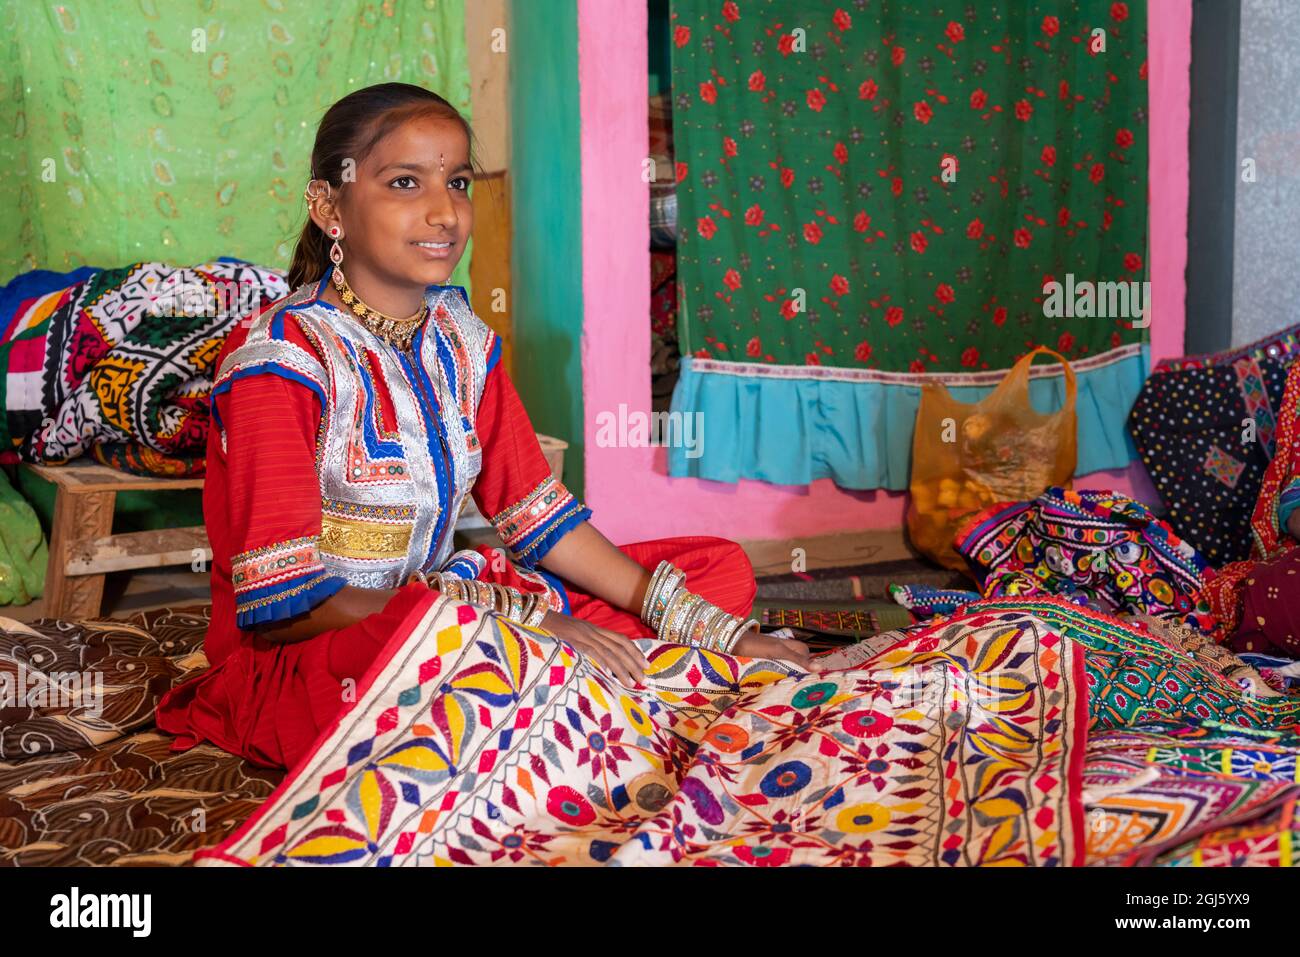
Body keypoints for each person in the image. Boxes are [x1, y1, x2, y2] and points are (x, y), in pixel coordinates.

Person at [155, 82, 814, 771]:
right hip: (315, 660)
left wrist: (701, 623)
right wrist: (507, 618)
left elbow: (541, 521)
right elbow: (284, 601)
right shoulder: (281, 363)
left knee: (717, 571)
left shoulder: (461, 339)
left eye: (458, 182)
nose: (445, 213)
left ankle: (551, 672)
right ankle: (542, 672)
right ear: (330, 207)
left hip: (447, 616)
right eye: (405, 182)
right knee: (445, 650)